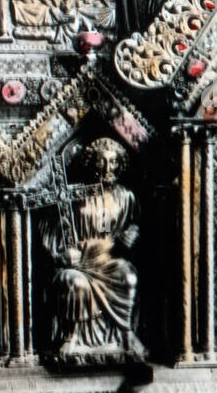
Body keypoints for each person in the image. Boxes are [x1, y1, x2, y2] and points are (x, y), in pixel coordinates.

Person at [41, 138, 146, 361]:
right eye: (101, 162)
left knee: (128, 277)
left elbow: (134, 225)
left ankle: (124, 334)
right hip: (79, 263)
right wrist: (62, 253)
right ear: (91, 163)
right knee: (76, 283)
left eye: (113, 162)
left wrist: (131, 236)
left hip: (109, 259)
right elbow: (50, 229)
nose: (108, 169)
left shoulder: (125, 197)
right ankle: (73, 336)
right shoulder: (74, 195)